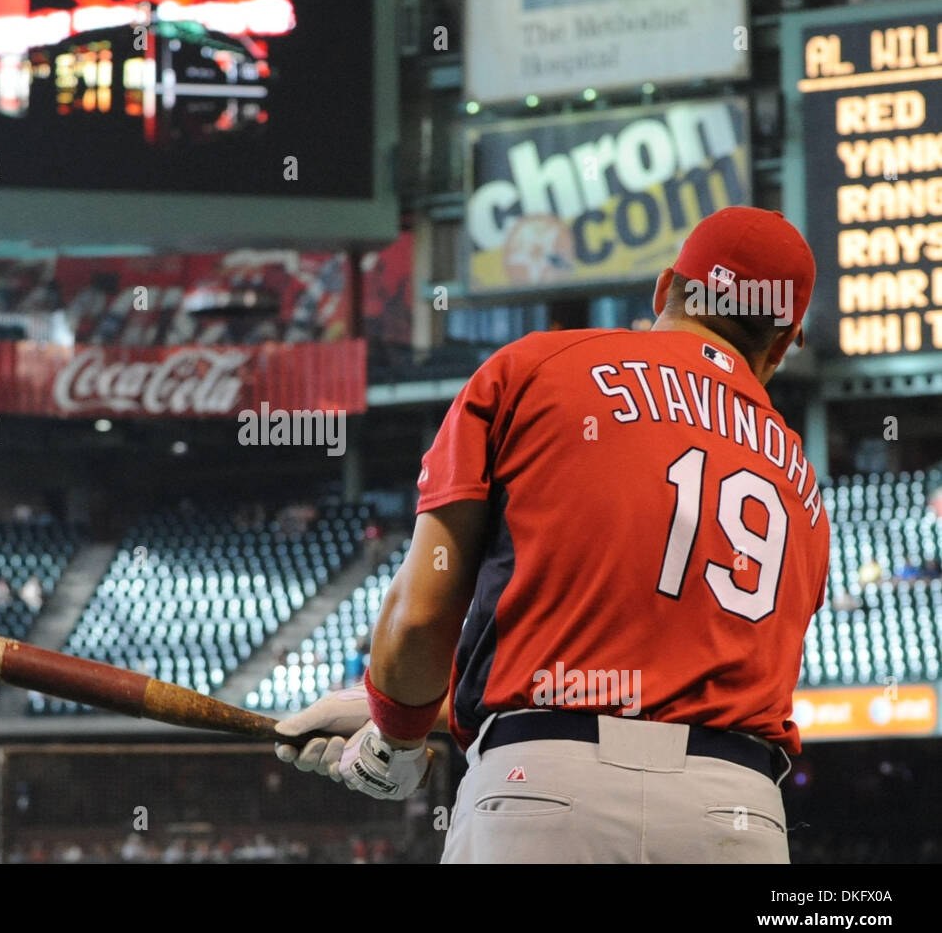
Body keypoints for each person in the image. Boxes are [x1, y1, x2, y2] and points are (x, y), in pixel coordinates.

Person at [275, 207, 831, 863]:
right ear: (785, 339)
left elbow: (420, 618)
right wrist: (380, 707)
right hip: (736, 814)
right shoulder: (802, 486)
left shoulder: (537, 367)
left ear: (663, 289)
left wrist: (394, 734)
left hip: (543, 796)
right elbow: (651, 677)